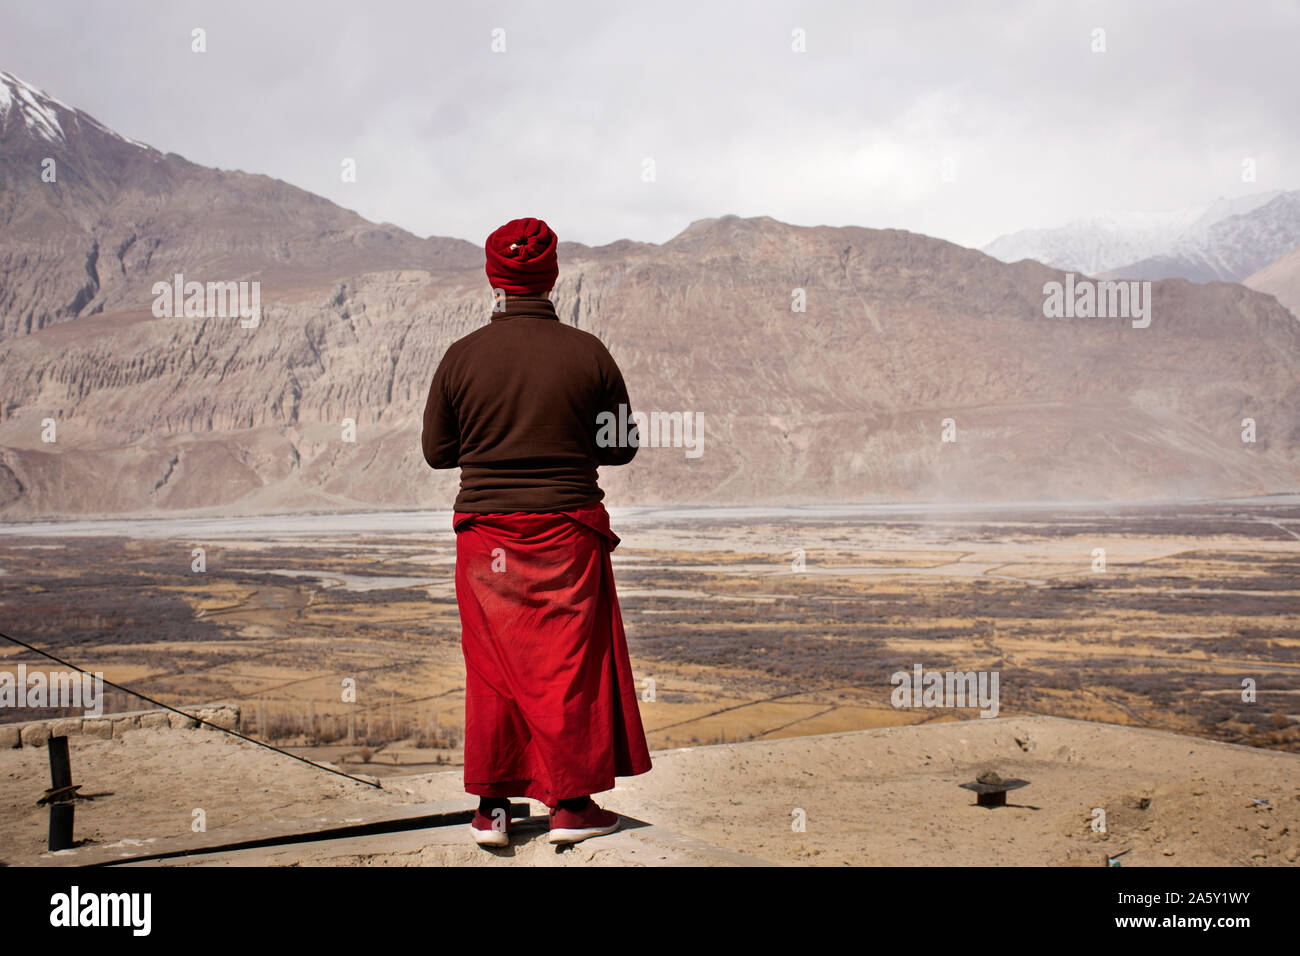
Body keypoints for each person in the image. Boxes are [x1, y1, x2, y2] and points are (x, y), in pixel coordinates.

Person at [421, 217, 652, 847]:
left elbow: (439, 454)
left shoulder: (461, 356)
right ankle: (572, 808)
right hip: (566, 534)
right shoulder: (589, 352)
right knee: (567, 669)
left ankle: (491, 814)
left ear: (495, 280)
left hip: (485, 538)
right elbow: (623, 447)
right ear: (551, 278)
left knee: (494, 666)